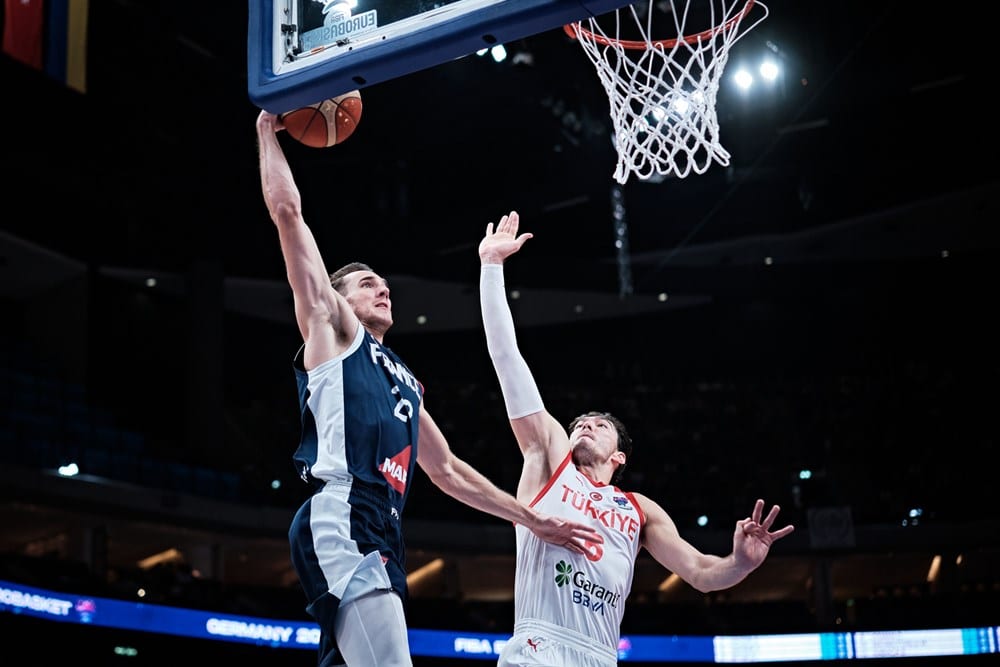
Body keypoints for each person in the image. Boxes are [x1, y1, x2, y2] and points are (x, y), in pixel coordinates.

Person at [255, 113, 602, 667]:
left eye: (384, 281)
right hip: (342, 514)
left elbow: (448, 471)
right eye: (367, 283)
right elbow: (288, 214)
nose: (382, 287)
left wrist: (531, 519)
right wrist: (267, 134)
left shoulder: (405, 381)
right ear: (338, 299)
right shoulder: (334, 331)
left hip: (384, 533)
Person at [478, 210, 796, 667]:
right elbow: (507, 360)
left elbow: (704, 573)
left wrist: (742, 562)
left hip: (602, 656)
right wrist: (491, 267)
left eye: (599, 425)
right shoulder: (548, 457)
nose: (584, 425)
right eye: (578, 423)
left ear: (619, 455)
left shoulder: (639, 509)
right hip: (538, 647)